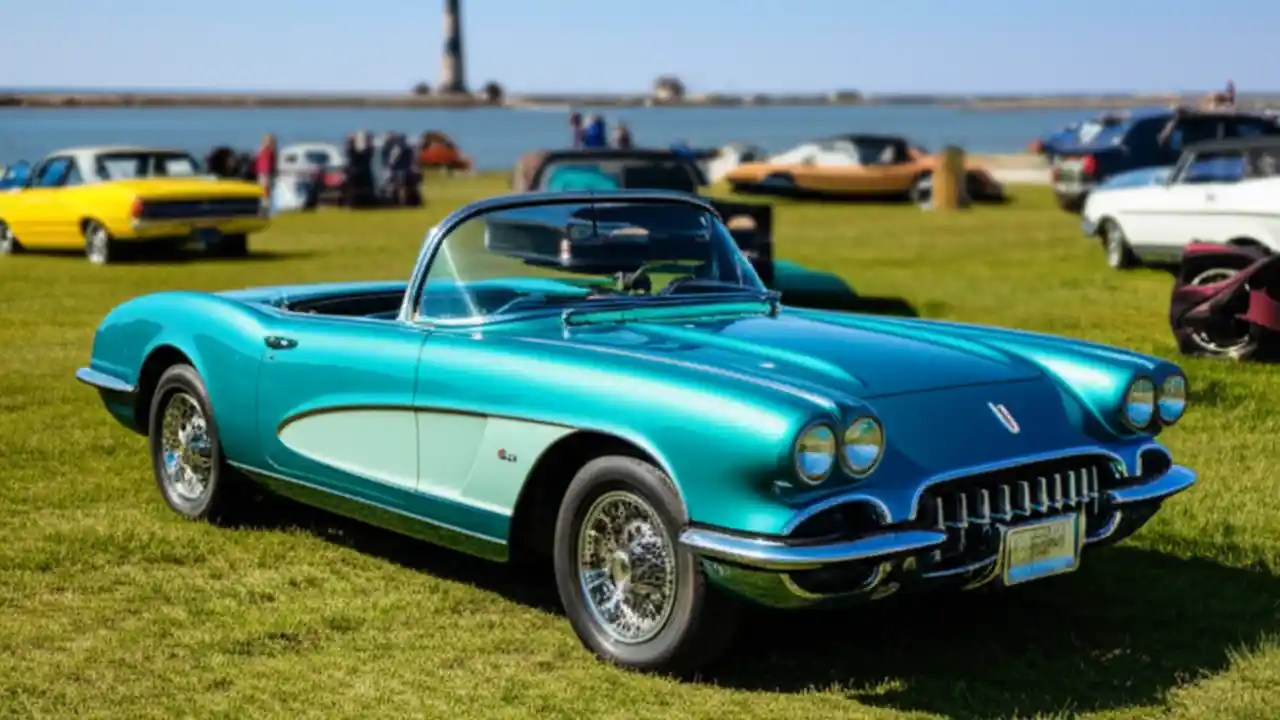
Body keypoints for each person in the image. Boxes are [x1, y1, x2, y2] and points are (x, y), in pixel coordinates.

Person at [254, 134, 277, 199]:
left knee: (267, 187)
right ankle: (264, 200)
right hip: (262, 172)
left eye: (269, 141)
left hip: (267, 172)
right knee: (264, 186)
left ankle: (266, 200)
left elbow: (273, 162)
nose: (268, 143)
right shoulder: (262, 150)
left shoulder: (271, 150)